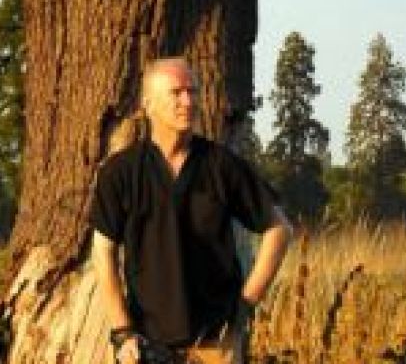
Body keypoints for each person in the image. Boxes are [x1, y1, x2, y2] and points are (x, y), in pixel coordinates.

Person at [91, 57, 293, 364]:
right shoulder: (121, 172)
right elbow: (103, 252)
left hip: (215, 344)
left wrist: (243, 310)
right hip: (146, 345)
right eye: (176, 93)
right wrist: (123, 332)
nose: (188, 101)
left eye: (193, 92)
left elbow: (280, 230)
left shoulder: (221, 166)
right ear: (148, 104)